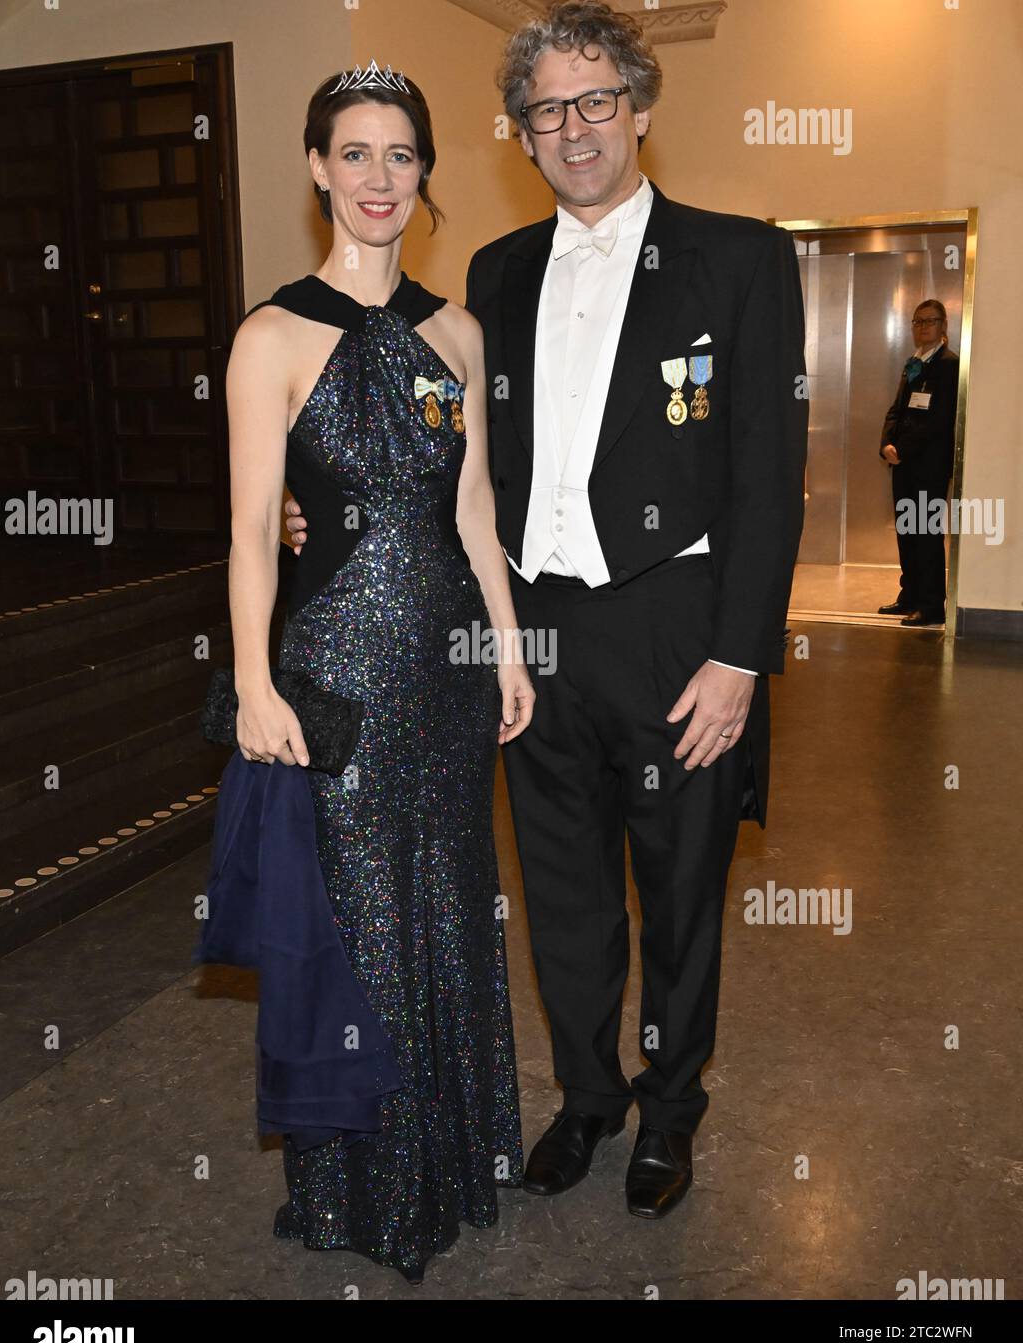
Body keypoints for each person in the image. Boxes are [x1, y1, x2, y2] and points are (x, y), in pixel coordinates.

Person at [288, 1, 807, 1222]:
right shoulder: (495, 273)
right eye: (545, 110)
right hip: (529, 638)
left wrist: (739, 657)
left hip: (676, 631)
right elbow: (453, 468)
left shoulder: (739, 258)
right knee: (563, 892)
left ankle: (668, 1110)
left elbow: (766, 475)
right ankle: (587, 1096)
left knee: (677, 896)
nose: (573, 129)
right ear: (518, 134)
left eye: (595, 100)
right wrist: (322, 513)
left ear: (639, 107)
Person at [226, 60, 533, 1284]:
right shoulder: (271, 335)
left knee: (449, 906)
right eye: (353, 152)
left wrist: (506, 644)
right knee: (357, 927)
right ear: (317, 167)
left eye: (399, 155)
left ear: (423, 174)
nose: (378, 177)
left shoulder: (455, 331)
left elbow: (475, 509)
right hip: (337, 678)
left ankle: (449, 1164)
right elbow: (251, 530)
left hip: (447, 677)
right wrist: (253, 683)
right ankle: (365, 1188)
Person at [878, 299, 960, 627]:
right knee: (906, 531)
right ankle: (909, 595)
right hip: (903, 462)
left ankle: (931, 605)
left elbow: (938, 419)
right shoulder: (913, 362)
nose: (923, 327)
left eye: (930, 321)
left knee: (926, 534)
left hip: (929, 465)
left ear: (943, 326)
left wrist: (902, 448)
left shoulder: (949, 364)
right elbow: (897, 409)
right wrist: (886, 443)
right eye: (917, 321)